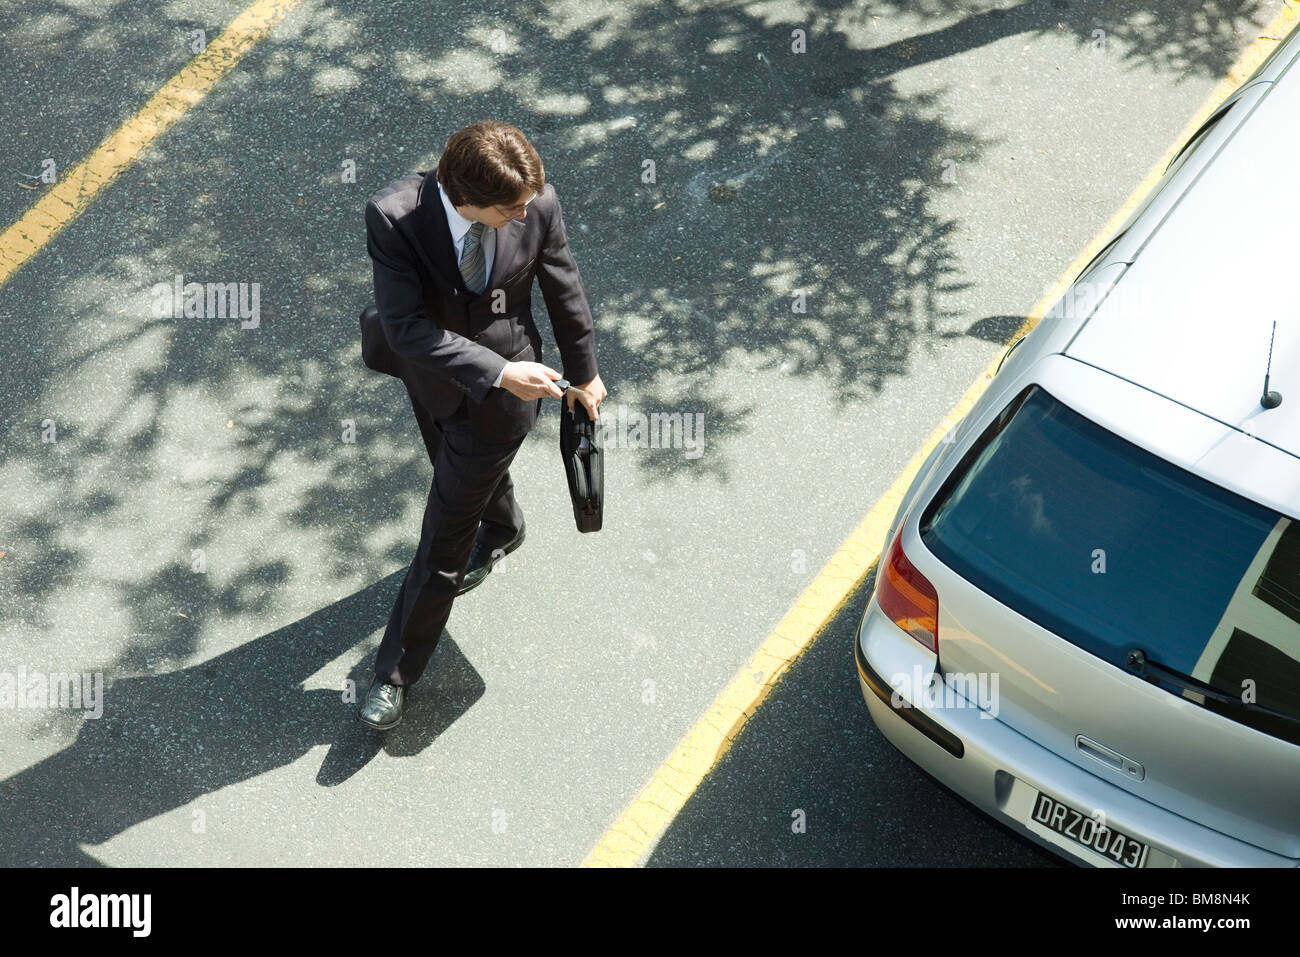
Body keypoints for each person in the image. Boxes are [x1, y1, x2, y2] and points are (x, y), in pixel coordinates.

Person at [357, 120, 606, 729]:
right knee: (453, 461)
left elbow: (563, 286)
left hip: (504, 402)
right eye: (511, 209)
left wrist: (585, 372)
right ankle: (502, 528)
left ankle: (393, 674)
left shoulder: (536, 200)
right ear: (464, 197)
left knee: (443, 534)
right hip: (433, 378)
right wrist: (495, 369)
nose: (526, 215)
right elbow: (406, 327)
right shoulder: (394, 218)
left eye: (528, 203)